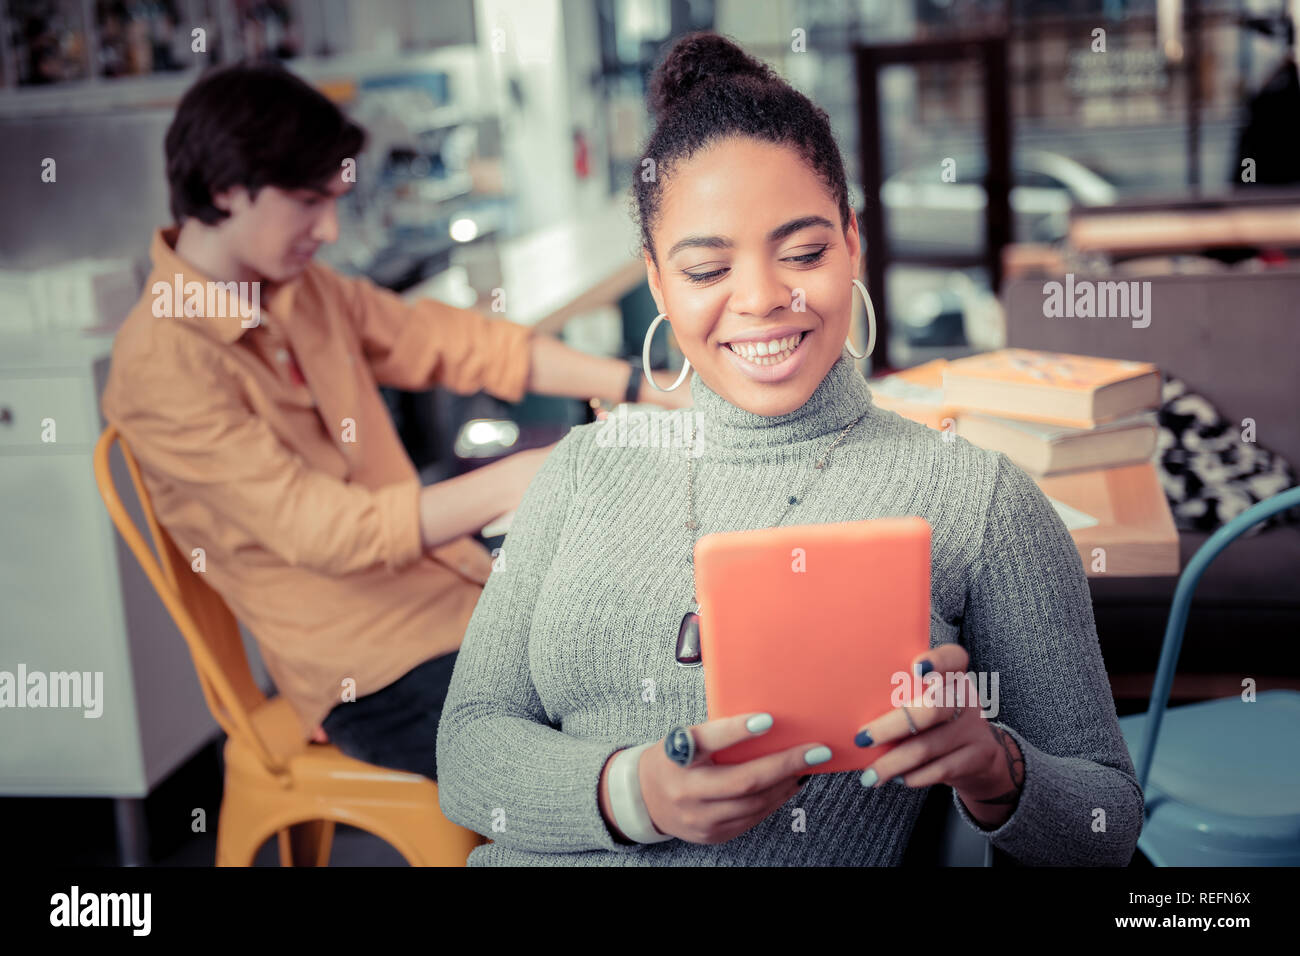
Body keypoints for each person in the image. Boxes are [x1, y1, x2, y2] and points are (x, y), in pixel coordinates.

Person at [435, 32, 1143, 865]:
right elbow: (468, 751)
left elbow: (1108, 824)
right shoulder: (585, 467)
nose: (764, 300)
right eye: (706, 271)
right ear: (658, 282)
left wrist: (995, 767)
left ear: (852, 242)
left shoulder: (975, 498)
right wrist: (636, 792)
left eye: (803, 253)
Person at [100, 61, 689, 781]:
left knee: (669, 654)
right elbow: (327, 530)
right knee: (628, 730)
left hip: (456, 600)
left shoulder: (299, 290)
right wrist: (519, 481)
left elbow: (457, 345)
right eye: (310, 202)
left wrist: (639, 385)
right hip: (370, 676)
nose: (330, 227)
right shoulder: (162, 360)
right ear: (226, 190)